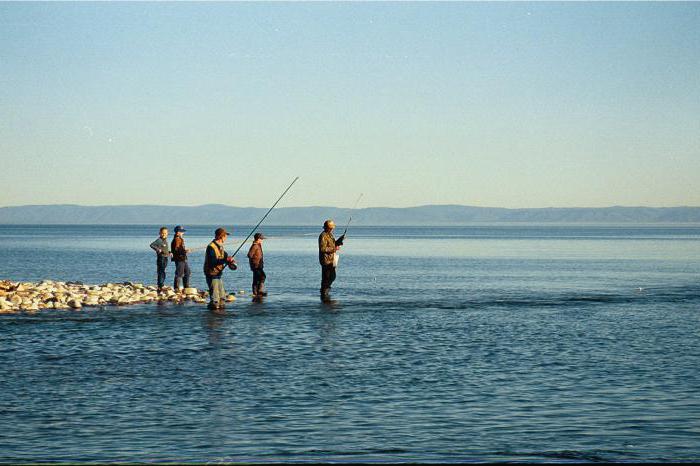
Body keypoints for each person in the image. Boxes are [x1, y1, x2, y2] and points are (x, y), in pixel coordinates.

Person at [203, 227, 237, 310]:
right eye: (225, 236)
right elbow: (213, 261)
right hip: (211, 273)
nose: (226, 238)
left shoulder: (220, 246)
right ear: (221, 236)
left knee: (222, 296)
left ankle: (221, 312)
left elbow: (225, 256)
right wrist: (225, 260)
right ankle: (213, 314)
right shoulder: (211, 247)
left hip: (218, 273)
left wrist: (230, 260)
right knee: (215, 297)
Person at [318, 220, 345, 301]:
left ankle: (325, 293)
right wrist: (334, 248)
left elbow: (332, 245)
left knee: (331, 276)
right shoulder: (323, 236)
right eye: (331, 228)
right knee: (328, 277)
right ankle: (324, 293)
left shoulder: (330, 235)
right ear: (328, 228)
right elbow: (323, 248)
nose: (332, 229)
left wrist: (339, 241)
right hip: (326, 260)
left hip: (331, 259)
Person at [149, 226, 171, 292]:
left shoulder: (165, 240)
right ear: (159, 233)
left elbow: (165, 249)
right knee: (161, 272)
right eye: (162, 233)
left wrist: (170, 252)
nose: (164, 234)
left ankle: (162, 285)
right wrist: (157, 249)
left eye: (165, 233)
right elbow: (152, 245)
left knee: (163, 271)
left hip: (166, 257)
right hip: (161, 258)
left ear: (167, 233)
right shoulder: (159, 240)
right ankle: (160, 286)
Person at [171, 225, 191, 292]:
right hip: (179, 258)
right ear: (177, 232)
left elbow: (179, 249)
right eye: (181, 232)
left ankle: (186, 286)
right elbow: (177, 250)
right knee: (179, 273)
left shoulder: (180, 239)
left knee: (187, 271)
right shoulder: (177, 239)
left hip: (183, 258)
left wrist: (184, 251)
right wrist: (185, 251)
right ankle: (176, 288)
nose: (183, 233)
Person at [247, 232, 267, 297]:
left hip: (259, 265)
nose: (262, 240)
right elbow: (249, 255)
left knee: (259, 278)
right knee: (261, 277)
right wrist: (255, 261)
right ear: (258, 239)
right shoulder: (255, 246)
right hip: (256, 265)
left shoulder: (258, 245)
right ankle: (257, 292)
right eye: (261, 239)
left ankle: (258, 292)